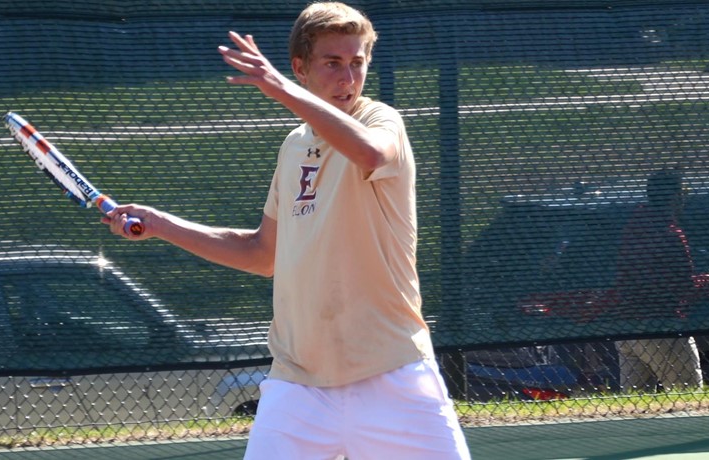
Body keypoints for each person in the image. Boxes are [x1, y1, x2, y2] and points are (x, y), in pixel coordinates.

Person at [102, 3, 470, 459]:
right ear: (301, 68)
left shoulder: (381, 121)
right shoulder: (294, 147)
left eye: (357, 63)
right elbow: (262, 253)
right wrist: (162, 224)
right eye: (332, 63)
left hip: (392, 373)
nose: (348, 78)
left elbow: (372, 154)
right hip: (298, 385)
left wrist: (279, 88)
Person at [614, 167, 709, 393]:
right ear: (675, 197)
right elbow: (680, 285)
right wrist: (705, 283)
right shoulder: (670, 234)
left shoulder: (634, 227)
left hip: (627, 329)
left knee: (635, 399)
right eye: (684, 193)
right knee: (688, 394)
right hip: (662, 326)